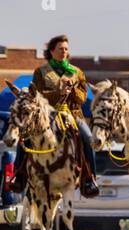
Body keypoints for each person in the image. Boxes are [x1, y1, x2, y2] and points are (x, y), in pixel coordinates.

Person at [25, 34, 98, 198]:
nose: (64, 51)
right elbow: (37, 95)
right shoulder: (41, 72)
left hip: (72, 113)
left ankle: (89, 178)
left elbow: (82, 97)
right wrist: (58, 91)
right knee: (26, 136)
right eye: (60, 49)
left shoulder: (77, 72)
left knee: (88, 139)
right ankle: (19, 175)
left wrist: (72, 90)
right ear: (51, 51)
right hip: (47, 114)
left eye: (66, 49)